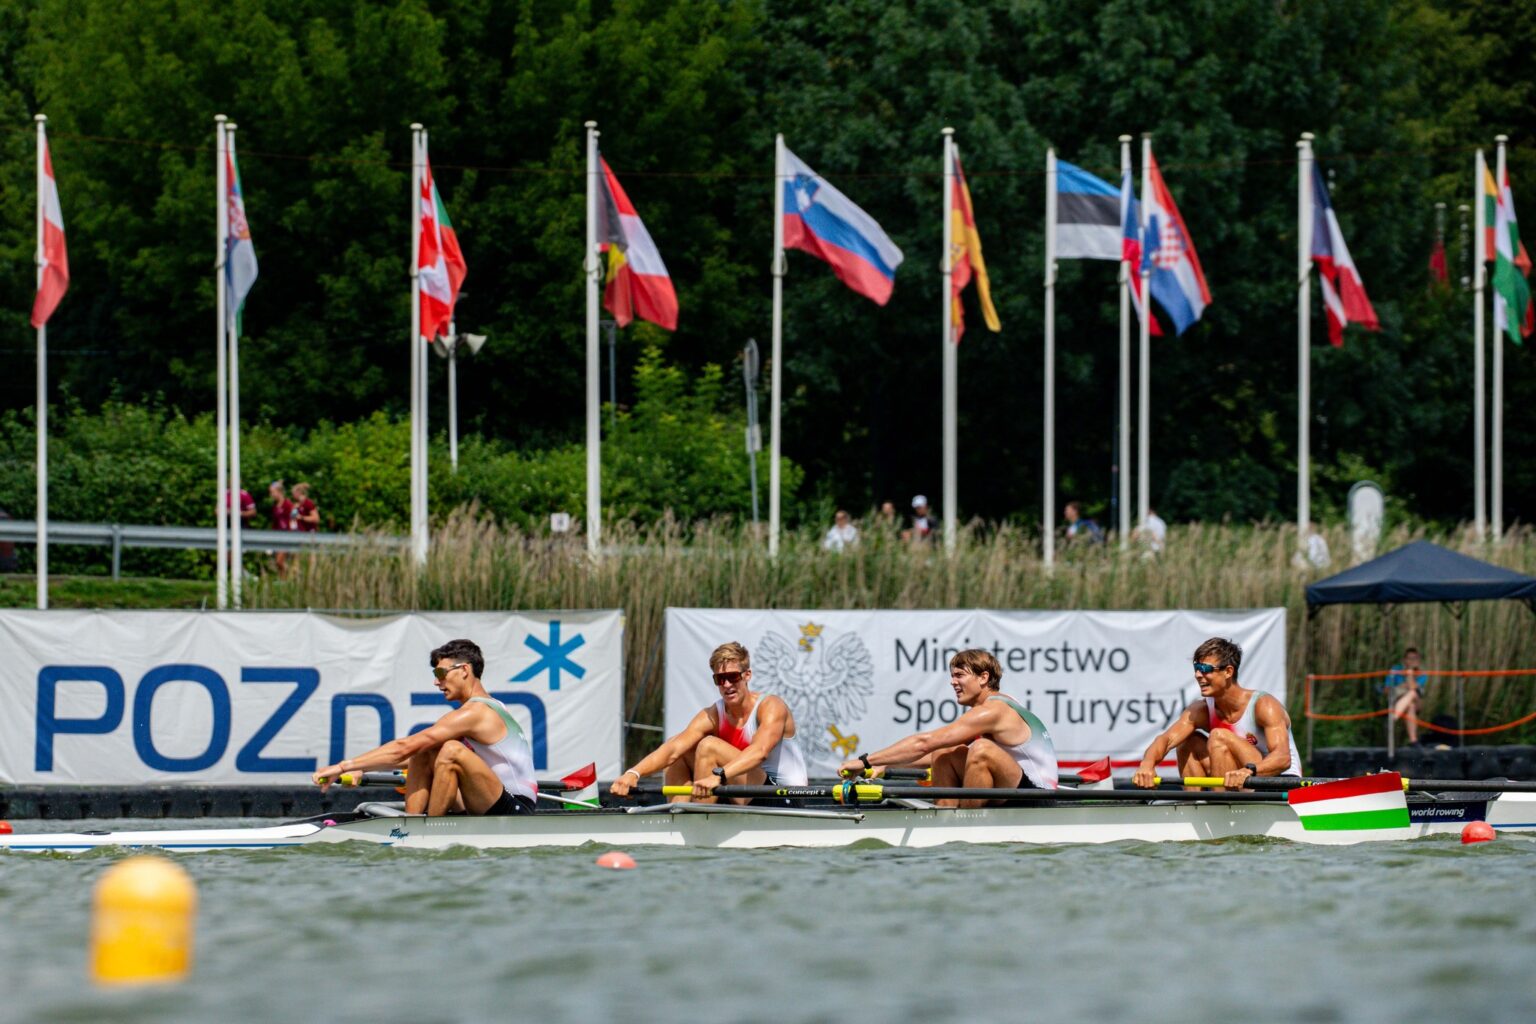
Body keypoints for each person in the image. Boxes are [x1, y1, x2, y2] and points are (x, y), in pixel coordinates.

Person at [314, 638, 536, 816]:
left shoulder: (476, 713)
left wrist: (343, 766)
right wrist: (361, 769)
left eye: (441, 673)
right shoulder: (483, 709)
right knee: (426, 748)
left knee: (450, 750)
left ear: (465, 670)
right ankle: (412, 824)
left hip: (516, 808)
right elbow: (411, 751)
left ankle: (428, 831)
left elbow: (403, 747)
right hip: (488, 797)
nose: (436, 682)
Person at [838, 649, 1057, 808]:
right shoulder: (999, 704)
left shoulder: (994, 711)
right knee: (945, 754)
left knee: (980, 749)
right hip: (1016, 786)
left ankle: (966, 825)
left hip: (1038, 796)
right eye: (952, 676)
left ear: (983, 678)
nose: (952, 682)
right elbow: (933, 751)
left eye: (960, 675)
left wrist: (865, 761)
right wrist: (883, 766)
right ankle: (945, 815)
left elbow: (924, 743)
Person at [609, 641, 807, 804]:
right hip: (742, 793)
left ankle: (700, 822)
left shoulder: (771, 706)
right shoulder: (714, 713)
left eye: (732, 677)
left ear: (747, 676)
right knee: (680, 748)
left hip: (784, 797)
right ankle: (679, 818)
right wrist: (633, 773)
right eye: (720, 679)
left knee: (708, 746)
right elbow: (672, 749)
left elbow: (759, 752)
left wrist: (719, 775)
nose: (727, 685)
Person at [1132, 637, 1302, 791]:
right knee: (1186, 741)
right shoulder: (1201, 710)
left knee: (1219, 736)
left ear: (1228, 671)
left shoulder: (1264, 705)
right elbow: (1166, 739)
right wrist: (1147, 765)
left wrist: (1247, 771)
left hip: (1278, 782)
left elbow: (1282, 758)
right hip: (1237, 781)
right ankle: (1196, 807)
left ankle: (1221, 807)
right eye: (1196, 668)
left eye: (1206, 668)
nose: (1198, 675)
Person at [1385, 646, 1428, 745]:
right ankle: (1413, 741)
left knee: (1412, 694)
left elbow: (1413, 688)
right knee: (1410, 706)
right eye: (1410, 658)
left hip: (1416, 701)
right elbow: (1387, 690)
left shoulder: (1422, 673)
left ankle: (1392, 719)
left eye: (1415, 658)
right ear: (1405, 660)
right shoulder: (1395, 670)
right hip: (1398, 700)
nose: (1413, 661)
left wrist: (1409, 673)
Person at [268, 480, 295, 576]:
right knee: (278, 563)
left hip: (287, 536)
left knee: (279, 561)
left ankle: (293, 576)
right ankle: (284, 581)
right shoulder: (275, 507)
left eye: (272, 492)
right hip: (278, 537)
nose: (271, 495)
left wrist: (292, 533)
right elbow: (275, 524)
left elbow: (293, 520)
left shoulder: (288, 505)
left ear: (279, 492)